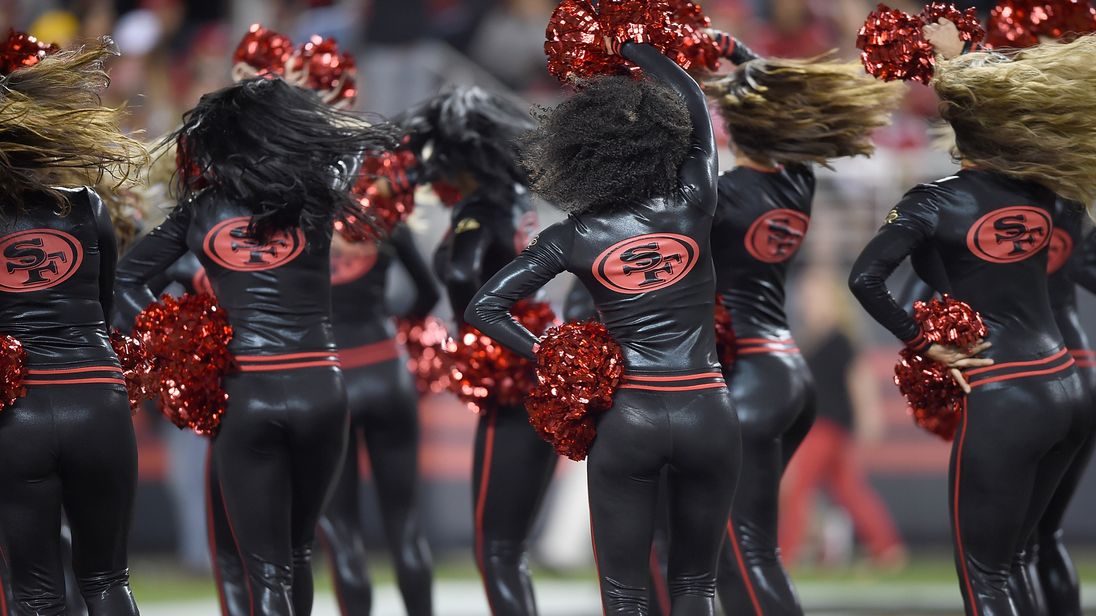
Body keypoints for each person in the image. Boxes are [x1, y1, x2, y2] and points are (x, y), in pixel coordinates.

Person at [466, 40, 740, 615]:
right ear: (660, 143)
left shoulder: (575, 235)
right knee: (695, 586)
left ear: (580, 153)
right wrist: (641, 50)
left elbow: (484, 307)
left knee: (624, 592)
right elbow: (697, 110)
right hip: (707, 408)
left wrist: (551, 353)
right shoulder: (696, 200)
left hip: (631, 415)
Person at [114, 77, 397, 616]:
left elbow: (126, 281)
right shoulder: (315, 193)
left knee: (266, 572)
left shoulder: (200, 211)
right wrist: (304, 121)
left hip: (246, 395)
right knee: (298, 553)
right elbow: (356, 142)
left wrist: (172, 345)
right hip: (322, 389)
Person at [848, 29, 1096, 616]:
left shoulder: (933, 200)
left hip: (1002, 390)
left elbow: (864, 279)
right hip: (1064, 381)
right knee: (1017, 557)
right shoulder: (1051, 192)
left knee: (984, 574)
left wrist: (919, 340)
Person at [703, 47, 902, 615]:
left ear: (734, 125)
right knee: (755, 547)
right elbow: (782, 101)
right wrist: (741, 58)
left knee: (736, 544)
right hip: (789, 370)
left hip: (744, 375)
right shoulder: (800, 184)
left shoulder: (720, 195)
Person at [0, 39, 147, 615]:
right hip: (97, 400)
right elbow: (107, 307)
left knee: (35, 591)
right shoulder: (89, 206)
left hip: (18, 416)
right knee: (108, 578)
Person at [399, 86, 556, 616]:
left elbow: (465, 271)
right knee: (510, 545)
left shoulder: (480, 206)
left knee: (496, 548)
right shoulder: (515, 195)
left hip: (509, 374)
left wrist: (471, 332)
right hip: (533, 363)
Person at [317, 227, 439, 616]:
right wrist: (396, 321)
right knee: (405, 522)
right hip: (386, 365)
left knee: (342, 529)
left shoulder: (299, 219)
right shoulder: (385, 219)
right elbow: (429, 292)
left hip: (331, 374)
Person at [780, 270, 905, 570]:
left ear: (832, 302)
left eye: (814, 298)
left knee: (796, 486)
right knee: (848, 489)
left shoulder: (840, 339)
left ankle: (785, 554)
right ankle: (887, 548)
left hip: (825, 427)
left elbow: (859, 380)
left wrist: (869, 417)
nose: (808, 304)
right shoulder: (812, 341)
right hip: (823, 427)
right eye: (806, 299)